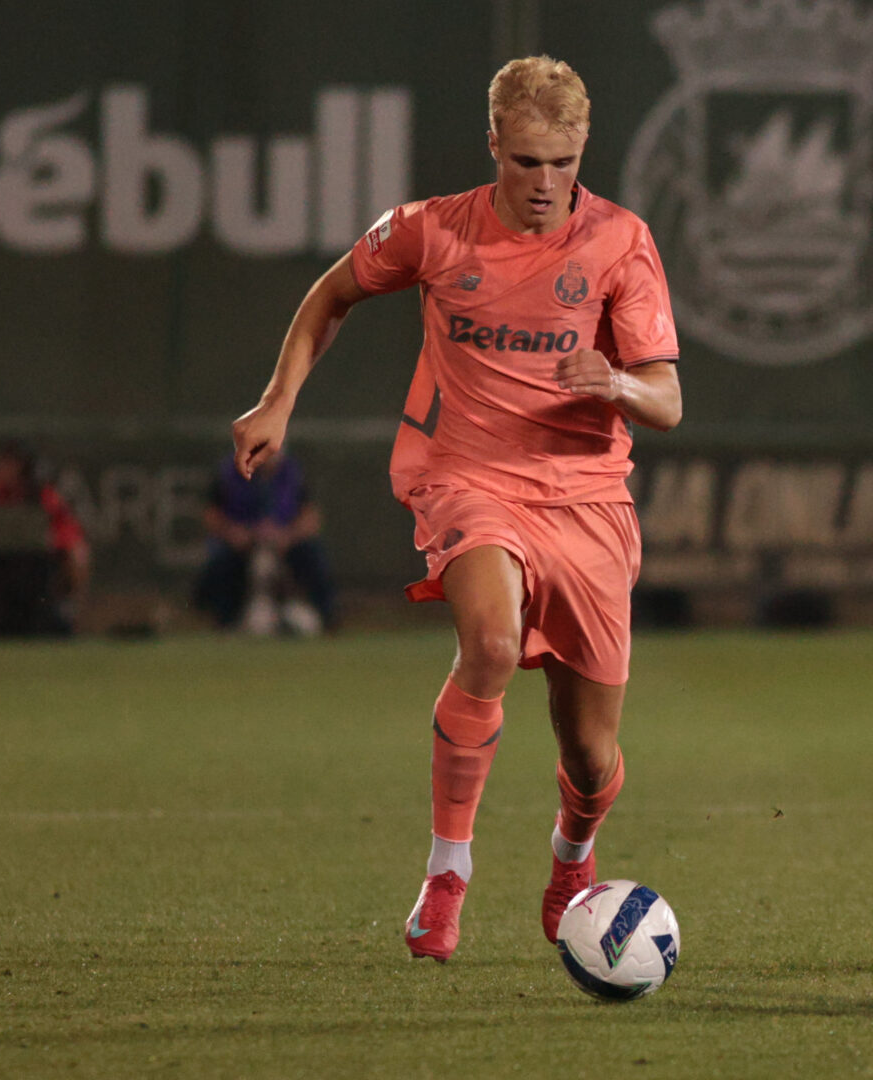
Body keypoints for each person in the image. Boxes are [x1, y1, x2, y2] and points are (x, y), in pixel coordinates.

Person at [230, 56, 682, 962]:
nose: (545, 183)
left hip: (587, 499)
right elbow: (333, 295)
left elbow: (667, 400)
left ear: (582, 147)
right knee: (489, 639)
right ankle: (447, 875)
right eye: (525, 162)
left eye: (561, 162)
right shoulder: (430, 231)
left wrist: (619, 382)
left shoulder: (620, 242)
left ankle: (571, 857)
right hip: (467, 476)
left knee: (592, 759)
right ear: (494, 149)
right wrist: (278, 398)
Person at [0, 441, 90, 639]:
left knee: (79, 554)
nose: (4, 471)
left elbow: (70, 532)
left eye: (12, 465)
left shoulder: (44, 497)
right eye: (1, 464)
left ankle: (64, 612)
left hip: (37, 562)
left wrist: (53, 542)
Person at [193, 449, 336, 635]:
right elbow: (211, 516)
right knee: (220, 560)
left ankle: (327, 618)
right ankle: (224, 621)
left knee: (313, 555)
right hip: (241, 541)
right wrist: (234, 533)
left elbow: (311, 518)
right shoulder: (228, 473)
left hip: (284, 540)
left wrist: (288, 536)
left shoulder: (293, 472)